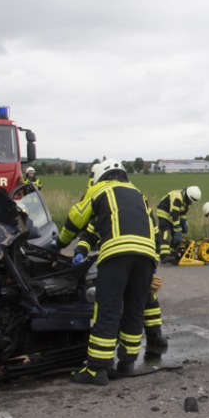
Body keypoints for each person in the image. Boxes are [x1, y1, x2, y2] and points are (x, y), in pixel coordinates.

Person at [58, 158, 159, 385]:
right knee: (134, 309)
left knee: (108, 310)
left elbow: (77, 217)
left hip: (116, 255)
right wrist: (153, 263)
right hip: (145, 257)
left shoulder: (100, 189)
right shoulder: (137, 195)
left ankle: (96, 370)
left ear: (100, 175)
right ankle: (127, 364)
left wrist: (60, 243)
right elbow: (153, 228)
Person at [155, 185, 202, 262]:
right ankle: (164, 255)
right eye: (190, 200)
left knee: (175, 234)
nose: (190, 202)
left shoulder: (186, 201)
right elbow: (174, 213)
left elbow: (182, 213)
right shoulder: (178, 197)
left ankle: (172, 253)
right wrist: (177, 228)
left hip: (172, 214)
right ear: (187, 196)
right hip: (163, 212)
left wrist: (184, 223)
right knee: (166, 232)